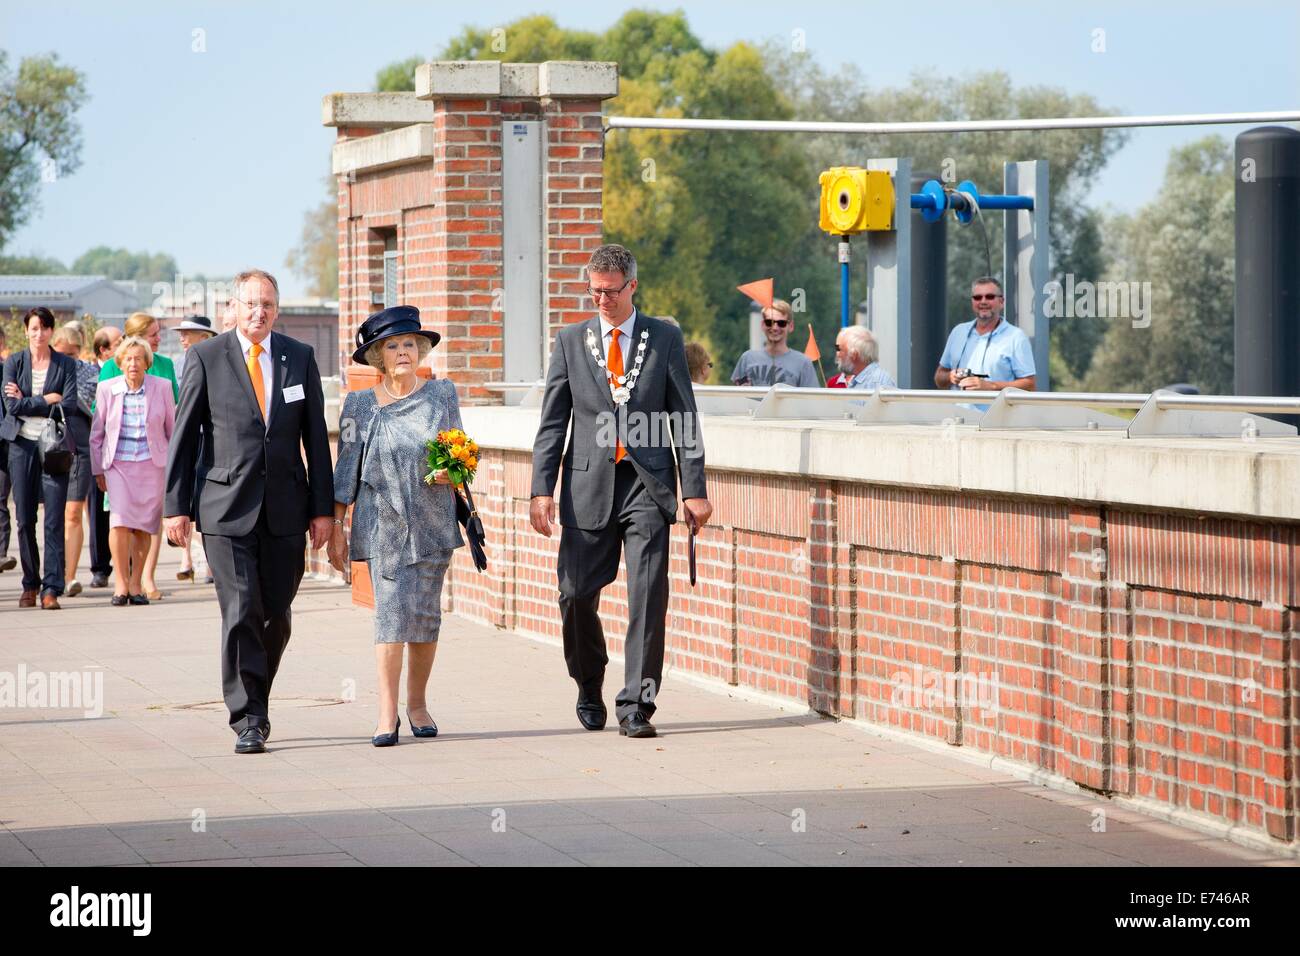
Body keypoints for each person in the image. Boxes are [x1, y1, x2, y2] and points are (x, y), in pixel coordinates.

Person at [530, 244, 712, 739]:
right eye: (594, 292)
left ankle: (637, 704)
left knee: (649, 596)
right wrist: (541, 489)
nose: (602, 300)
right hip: (587, 484)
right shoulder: (570, 341)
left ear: (632, 286)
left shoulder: (665, 339)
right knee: (573, 594)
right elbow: (553, 422)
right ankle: (589, 683)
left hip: (647, 486)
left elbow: (684, 417)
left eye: (611, 292)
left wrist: (694, 488)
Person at [164, 268, 334, 755]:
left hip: (286, 508)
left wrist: (322, 510)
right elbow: (184, 437)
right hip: (224, 508)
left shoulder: (298, 358)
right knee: (241, 610)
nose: (259, 312)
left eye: (268, 304)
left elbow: (315, 441)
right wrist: (176, 506)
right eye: (250, 303)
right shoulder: (205, 357)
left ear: (277, 310)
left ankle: (256, 693)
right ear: (233, 308)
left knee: (275, 614)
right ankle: (249, 717)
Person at [328, 307, 464, 747]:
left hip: (432, 521)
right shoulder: (360, 404)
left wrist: (455, 472)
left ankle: (418, 704)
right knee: (390, 616)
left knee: (425, 617)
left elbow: (460, 452)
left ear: (420, 350)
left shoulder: (443, 394)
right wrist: (335, 526)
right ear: (378, 357)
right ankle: (387, 711)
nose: (404, 351)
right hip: (383, 523)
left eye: (410, 344)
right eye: (393, 346)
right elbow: (345, 469)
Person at [1, 307, 78, 609]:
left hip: (53, 447)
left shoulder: (65, 364)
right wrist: (47, 399)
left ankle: (52, 588)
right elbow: (11, 407)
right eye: (34, 328)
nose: (39, 333)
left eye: (45, 328)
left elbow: (69, 405)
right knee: (24, 520)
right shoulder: (14, 362)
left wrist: (26, 401)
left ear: (51, 332)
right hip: (20, 447)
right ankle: (30, 583)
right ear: (26, 331)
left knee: (54, 520)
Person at [90, 337, 175, 606]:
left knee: (144, 526)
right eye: (128, 358)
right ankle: (121, 584)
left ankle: (137, 583)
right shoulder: (106, 388)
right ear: (120, 362)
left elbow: (172, 430)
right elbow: (97, 434)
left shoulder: (162, 387)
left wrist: (174, 468)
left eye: (138, 358)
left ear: (147, 362)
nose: (133, 363)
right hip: (118, 465)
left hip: (152, 465)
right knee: (120, 521)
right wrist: (98, 470)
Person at [50, 324, 102, 597]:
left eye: (72, 354)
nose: (67, 359)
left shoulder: (91, 373)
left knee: (73, 513)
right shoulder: (43, 371)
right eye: (61, 353)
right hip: (48, 449)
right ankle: (53, 574)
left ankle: (70, 577)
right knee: (52, 516)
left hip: (80, 450)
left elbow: (96, 406)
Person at [934, 276, 1037, 406]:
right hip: (958, 420)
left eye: (989, 297)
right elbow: (939, 378)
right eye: (977, 297)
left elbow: (1030, 385)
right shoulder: (958, 332)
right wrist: (951, 376)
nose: (983, 301)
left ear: (1001, 301)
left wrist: (991, 386)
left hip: (996, 422)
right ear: (972, 302)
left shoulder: (1016, 336)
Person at [170, 315, 217, 583]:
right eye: (181, 333)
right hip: (187, 437)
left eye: (189, 333)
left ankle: (209, 561)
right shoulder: (179, 364)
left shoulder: (216, 359)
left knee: (205, 500)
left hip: (209, 438)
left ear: (205, 336)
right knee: (185, 500)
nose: (182, 337)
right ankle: (186, 556)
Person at [86, 326, 122, 588]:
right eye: (119, 342)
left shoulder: (132, 369)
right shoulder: (91, 374)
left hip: (128, 454)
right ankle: (100, 567)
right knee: (98, 510)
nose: (126, 345)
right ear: (104, 350)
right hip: (100, 449)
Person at [730, 299, 819, 387]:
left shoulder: (803, 363)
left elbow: (811, 399)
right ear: (762, 325)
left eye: (781, 323)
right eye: (769, 322)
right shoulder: (747, 358)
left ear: (791, 326)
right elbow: (733, 397)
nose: (775, 328)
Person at [833, 325, 896, 390]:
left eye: (839, 349)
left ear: (854, 354)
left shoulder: (879, 383)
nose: (838, 354)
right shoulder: (861, 381)